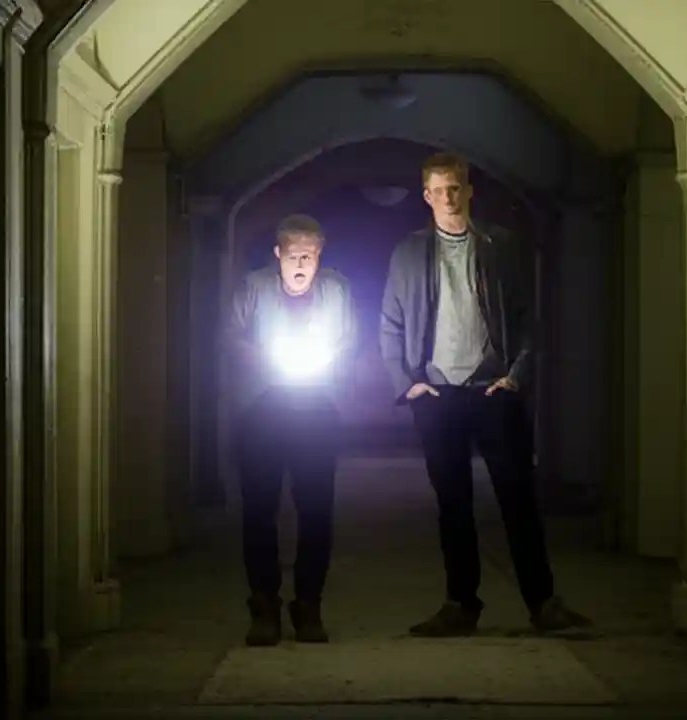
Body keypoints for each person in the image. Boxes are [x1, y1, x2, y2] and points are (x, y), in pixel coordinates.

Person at [379, 151, 592, 636]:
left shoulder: (500, 245)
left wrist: (516, 375)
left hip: (492, 389)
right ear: (427, 196)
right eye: (439, 190)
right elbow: (390, 321)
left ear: (469, 190)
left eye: (455, 187)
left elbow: (526, 318)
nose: (448, 197)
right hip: (437, 394)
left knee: (519, 500)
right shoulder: (408, 252)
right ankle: (460, 605)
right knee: (452, 505)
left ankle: (543, 604)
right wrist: (407, 384)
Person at [223, 213, 357, 646]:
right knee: (260, 510)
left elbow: (349, 341)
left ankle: (308, 605)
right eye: (294, 255)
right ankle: (264, 606)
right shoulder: (253, 288)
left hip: (317, 409)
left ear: (320, 256)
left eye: (310, 256)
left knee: (316, 511)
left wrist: (330, 362)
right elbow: (230, 337)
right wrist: (262, 358)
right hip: (262, 408)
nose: (301, 264)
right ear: (277, 254)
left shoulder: (336, 291)